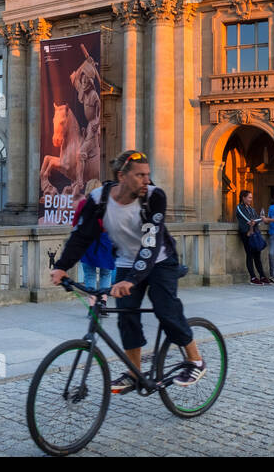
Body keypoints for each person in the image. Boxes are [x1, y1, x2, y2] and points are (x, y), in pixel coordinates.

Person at [50, 149, 206, 392]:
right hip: (125, 261)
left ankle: (195, 359)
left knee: (166, 309)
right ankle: (135, 373)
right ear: (122, 176)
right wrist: (61, 267)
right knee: (126, 316)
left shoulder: (154, 197)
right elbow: (81, 236)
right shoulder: (99, 199)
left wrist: (132, 280)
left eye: (148, 174)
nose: (146, 180)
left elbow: (151, 244)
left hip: (160, 261)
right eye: (140, 175)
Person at [73, 181, 115, 295]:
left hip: (87, 241)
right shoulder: (108, 204)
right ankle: (103, 303)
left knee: (89, 274)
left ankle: (92, 306)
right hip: (105, 241)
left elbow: (75, 223)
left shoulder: (83, 203)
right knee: (106, 274)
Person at [236, 189, 270, 284]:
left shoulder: (251, 209)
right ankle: (253, 277)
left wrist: (256, 220)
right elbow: (248, 219)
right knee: (250, 255)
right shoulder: (239, 207)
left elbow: (256, 220)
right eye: (249, 197)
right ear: (243, 197)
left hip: (254, 233)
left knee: (257, 255)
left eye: (251, 197)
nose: (251, 199)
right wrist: (257, 220)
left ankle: (262, 276)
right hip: (246, 234)